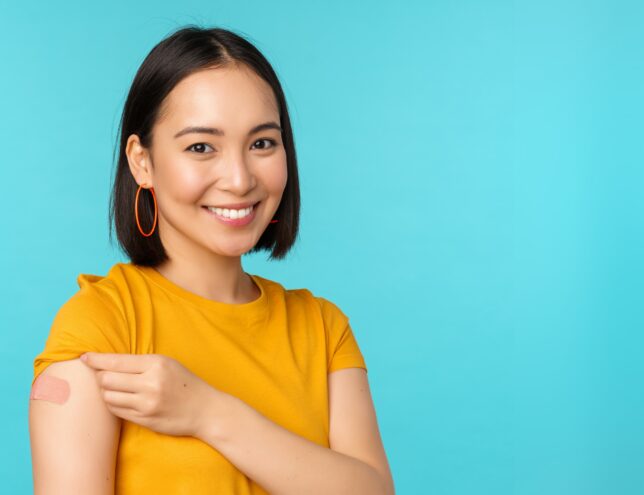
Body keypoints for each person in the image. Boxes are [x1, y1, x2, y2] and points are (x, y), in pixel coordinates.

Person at [27, 25, 394, 495]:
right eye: (201, 147)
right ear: (142, 161)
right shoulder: (104, 325)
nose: (240, 179)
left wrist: (210, 413)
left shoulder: (323, 329)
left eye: (262, 143)